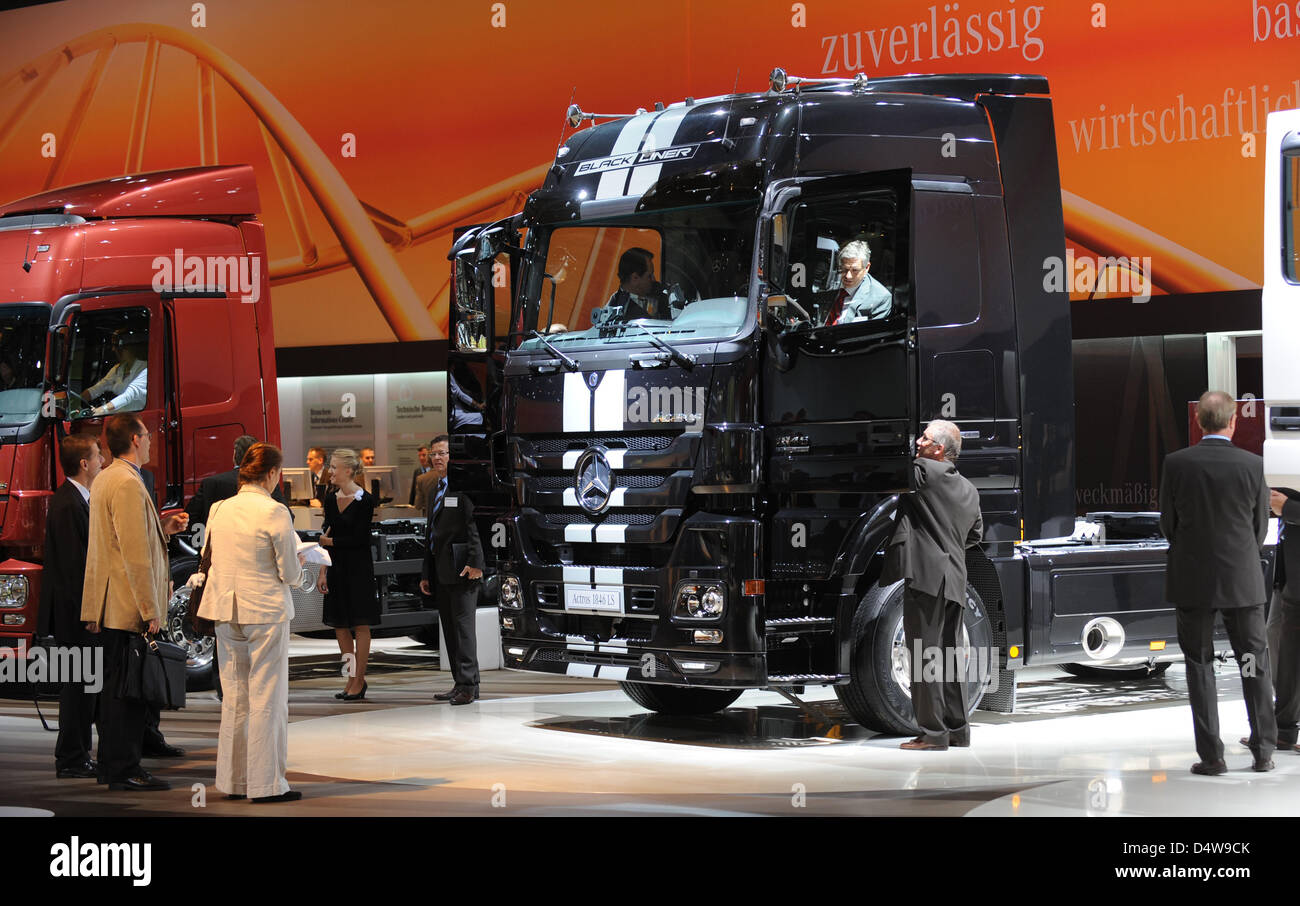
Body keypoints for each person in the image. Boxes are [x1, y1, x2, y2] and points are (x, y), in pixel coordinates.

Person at [1161, 390, 1276, 774]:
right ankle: (1263, 750)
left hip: (1193, 580)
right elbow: (1260, 527)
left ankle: (1212, 756)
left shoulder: (1177, 463)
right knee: (1251, 663)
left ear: (1198, 422)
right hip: (1242, 580)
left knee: (1200, 664)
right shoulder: (1252, 464)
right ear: (1233, 421)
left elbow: (1168, 525)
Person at [81, 415, 188, 791]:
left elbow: (109, 545)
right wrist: (150, 608)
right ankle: (124, 769)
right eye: (147, 435)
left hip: (113, 601)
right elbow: (134, 554)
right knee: (128, 693)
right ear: (134, 439)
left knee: (117, 690)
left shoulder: (109, 477)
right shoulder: (127, 481)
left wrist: (163, 527)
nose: (152, 440)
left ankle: (116, 766)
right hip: (128, 605)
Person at [196, 443, 307, 803]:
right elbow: (289, 572)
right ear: (272, 474)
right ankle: (266, 785)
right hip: (265, 611)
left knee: (235, 697)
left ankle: (233, 781)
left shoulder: (219, 508)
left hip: (225, 611)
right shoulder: (275, 511)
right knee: (267, 697)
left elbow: (206, 556)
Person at [881, 419, 983, 751]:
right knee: (951, 657)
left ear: (938, 449)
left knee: (925, 655)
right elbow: (975, 536)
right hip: (956, 578)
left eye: (924, 438)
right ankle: (957, 730)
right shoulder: (969, 489)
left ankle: (933, 735)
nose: (918, 442)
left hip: (927, 578)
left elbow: (889, 474)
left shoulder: (924, 473)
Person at [39, 433, 103, 779]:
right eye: (97, 456)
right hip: (76, 616)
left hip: (79, 614)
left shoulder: (76, 500)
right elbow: (73, 568)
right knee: (78, 689)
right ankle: (72, 757)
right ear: (84, 463)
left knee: (83, 688)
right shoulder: (68, 504)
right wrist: (89, 611)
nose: (101, 462)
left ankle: (78, 754)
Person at [418, 435, 486, 705]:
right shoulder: (435, 487)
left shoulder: (464, 487)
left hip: (463, 569)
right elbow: (431, 533)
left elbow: (475, 529)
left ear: (452, 457)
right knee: (449, 630)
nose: (437, 458)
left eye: (442, 453)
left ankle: (469, 685)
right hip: (440, 570)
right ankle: (461, 683)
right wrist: (426, 572)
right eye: (433, 453)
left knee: (464, 629)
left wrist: (477, 563)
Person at [1240, 488, 1300, 752]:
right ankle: (1283, 729)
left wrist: (1288, 508)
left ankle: (1284, 728)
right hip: (1288, 580)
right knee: (1285, 657)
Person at [317, 448, 379, 700]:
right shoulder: (330, 499)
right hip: (336, 568)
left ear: (348, 470)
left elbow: (359, 539)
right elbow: (327, 534)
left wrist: (329, 544)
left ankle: (359, 680)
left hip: (358, 568)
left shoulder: (366, 500)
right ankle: (350, 678)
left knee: (360, 624)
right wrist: (322, 570)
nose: (329, 471)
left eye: (333, 467)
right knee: (340, 626)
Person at [186, 435, 285, 525]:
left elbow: (190, 517)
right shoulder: (266, 483)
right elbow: (286, 517)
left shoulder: (210, 483)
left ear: (234, 456)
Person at [824, 240, 891, 326]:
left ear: (867, 267)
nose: (848, 276)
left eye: (855, 270)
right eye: (844, 269)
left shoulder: (881, 298)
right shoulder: (828, 279)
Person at [87, 332, 148, 416]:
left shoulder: (145, 368)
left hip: (136, 421)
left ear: (129, 347)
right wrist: (76, 400)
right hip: (120, 419)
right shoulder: (118, 368)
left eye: (116, 345)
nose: (113, 349)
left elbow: (129, 395)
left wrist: (102, 410)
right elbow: (99, 387)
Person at [602, 247, 668, 322]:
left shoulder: (659, 294)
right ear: (635, 278)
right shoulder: (614, 310)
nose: (654, 279)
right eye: (649, 276)